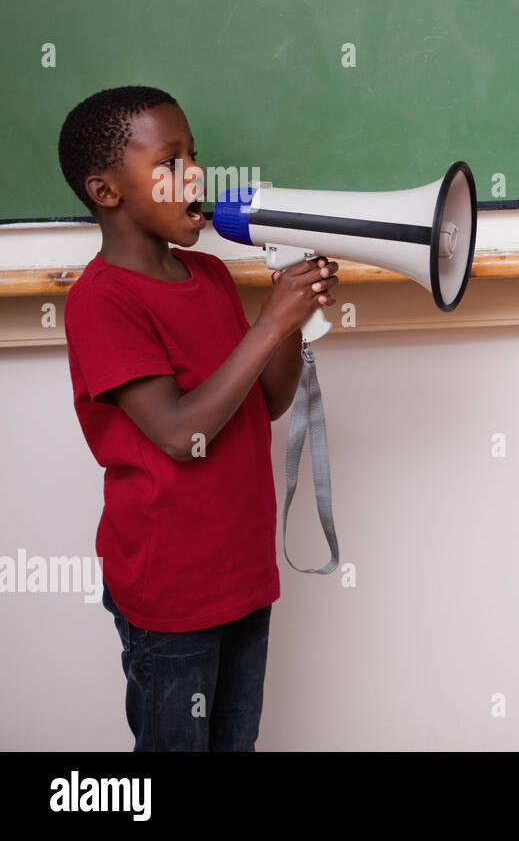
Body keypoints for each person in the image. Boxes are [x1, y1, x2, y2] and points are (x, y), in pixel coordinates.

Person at [58, 86, 339, 750]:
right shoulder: (101, 302)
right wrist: (270, 323)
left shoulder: (209, 276)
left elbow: (266, 403)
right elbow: (184, 434)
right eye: (172, 160)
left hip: (242, 573)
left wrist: (290, 320)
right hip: (171, 591)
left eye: (196, 156)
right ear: (106, 191)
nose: (198, 176)